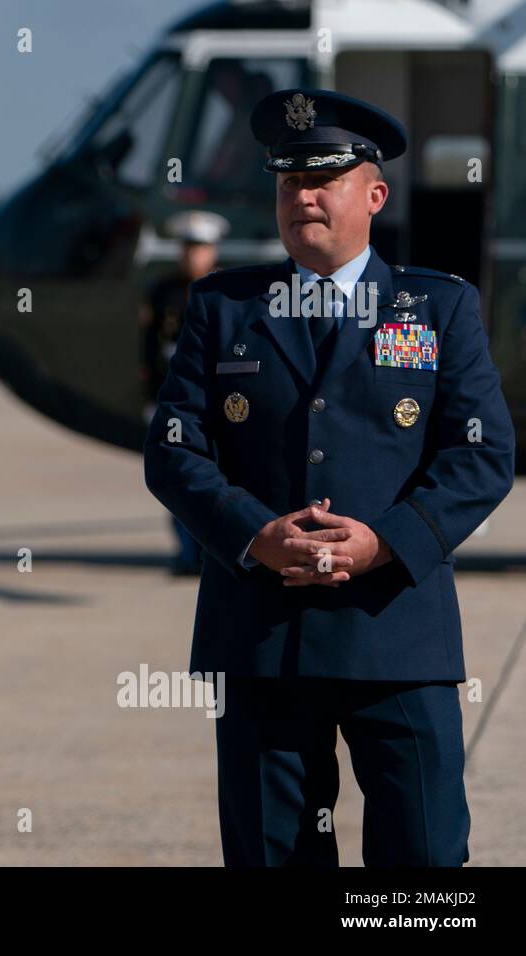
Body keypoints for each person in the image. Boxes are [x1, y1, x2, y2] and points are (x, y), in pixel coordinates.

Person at [143, 88, 515, 865]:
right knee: (272, 854)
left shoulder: (439, 307)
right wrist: (256, 534)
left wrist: (386, 542)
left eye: (324, 180)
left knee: (422, 862)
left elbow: (480, 453)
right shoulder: (222, 308)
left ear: (374, 195)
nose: (302, 196)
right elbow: (175, 450)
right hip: (263, 636)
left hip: (396, 633)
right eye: (288, 181)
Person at [142, 210, 228, 575]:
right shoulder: (164, 292)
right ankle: (186, 552)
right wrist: (150, 395)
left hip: (217, 401)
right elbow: (147, 346)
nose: (193, 256)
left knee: (217, 475)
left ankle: (214, 550)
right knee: (177, 473)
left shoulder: (229, 291)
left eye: (201, 248)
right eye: (188, 248)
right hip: (173, 398)